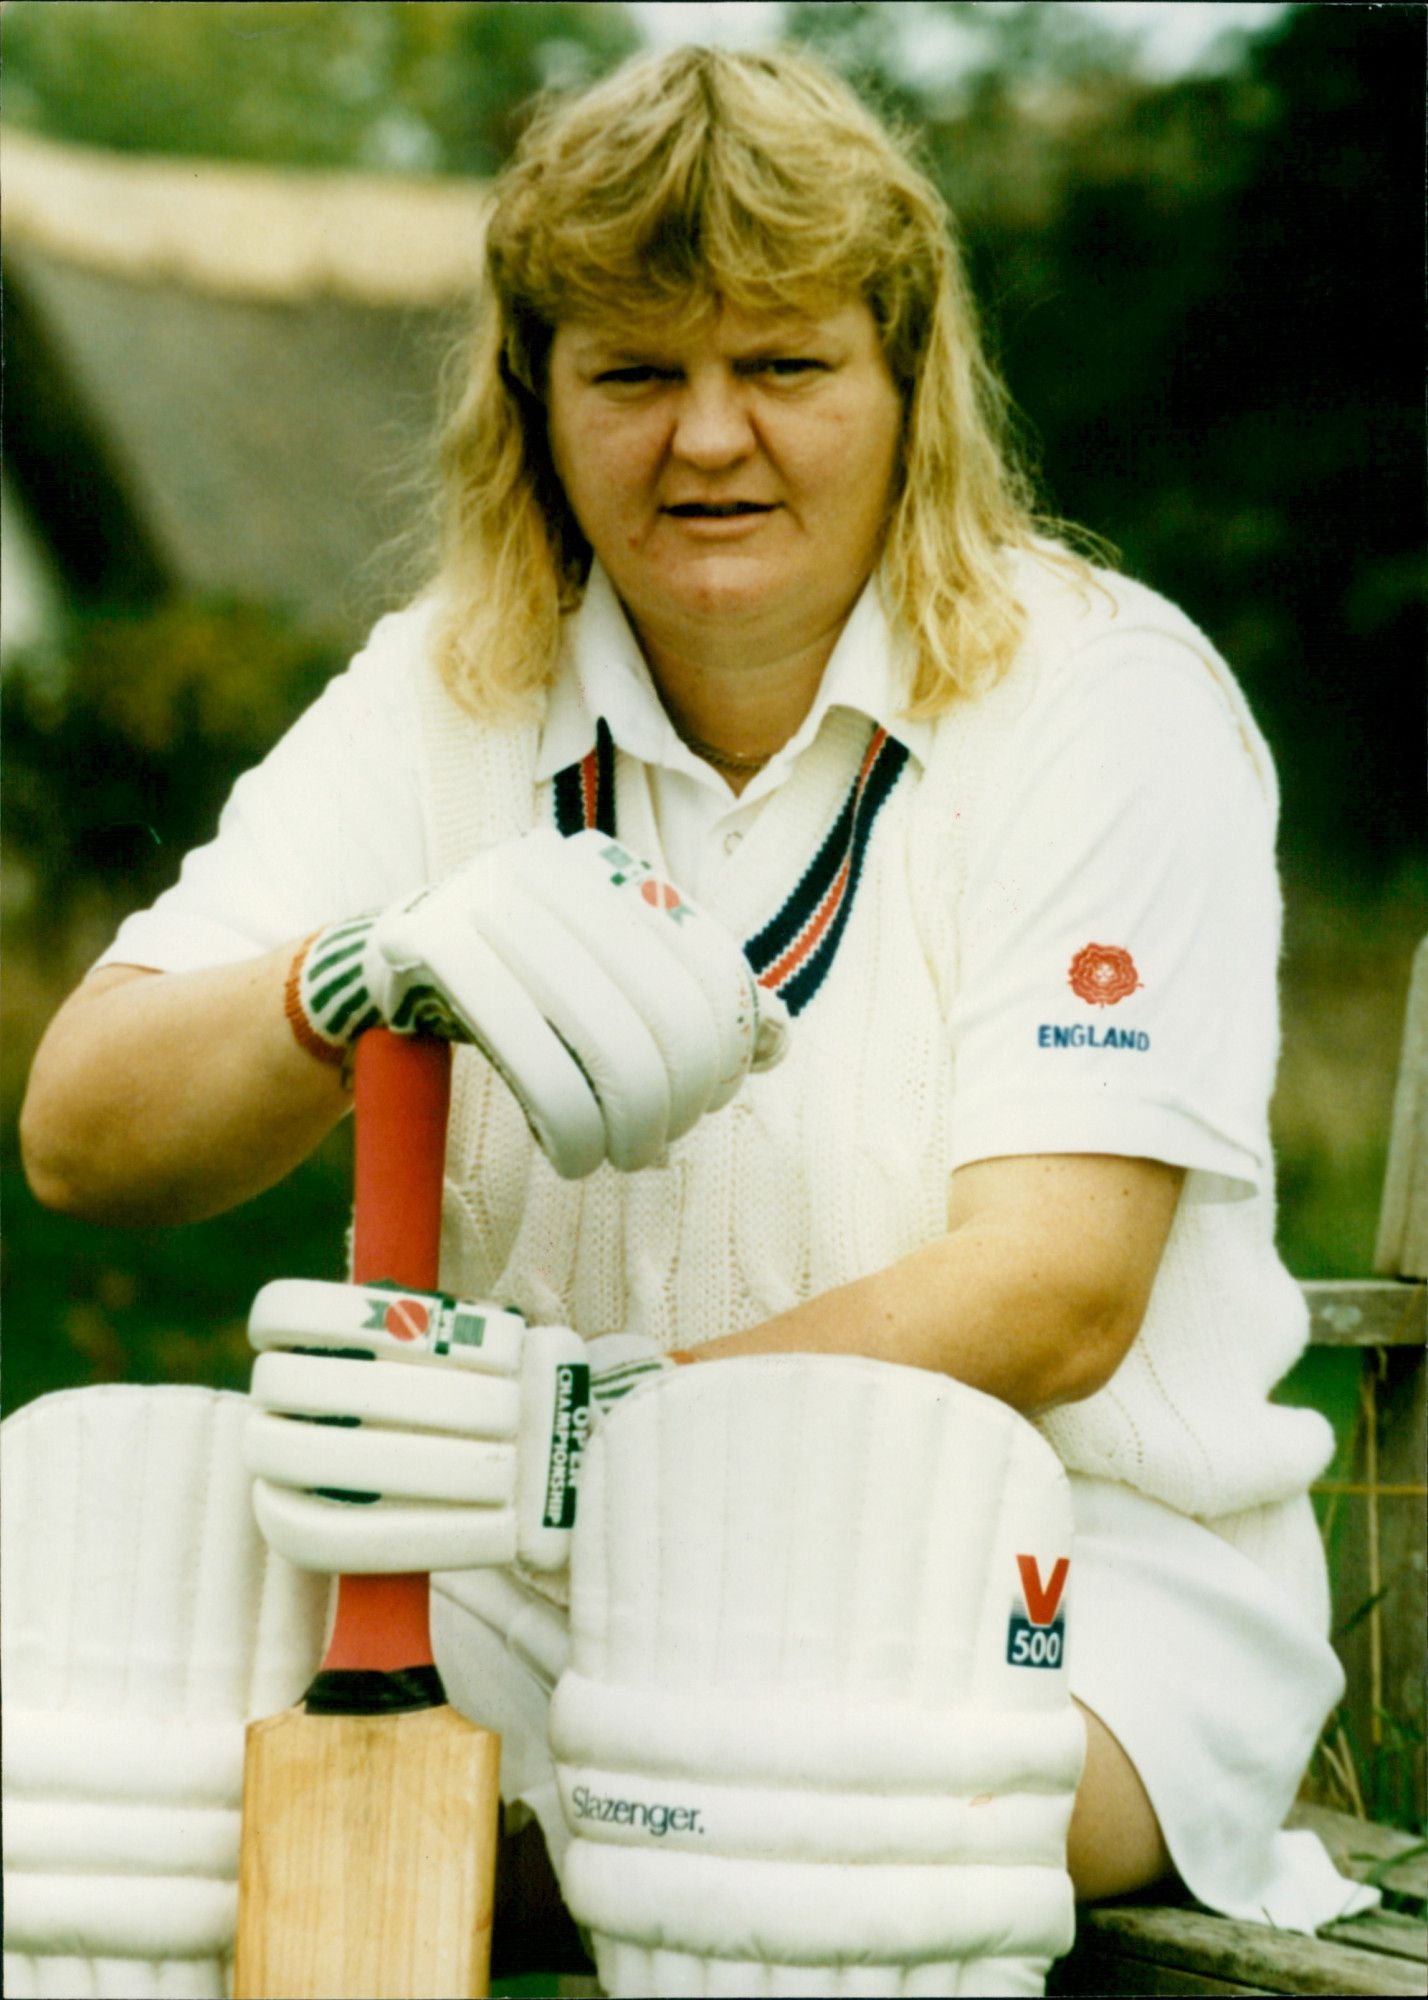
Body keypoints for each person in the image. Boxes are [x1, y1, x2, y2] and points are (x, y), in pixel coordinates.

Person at [20, 41, 1371, 1995]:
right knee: (91, 1724)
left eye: (786, 365)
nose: (710, 440)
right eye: (637, 374)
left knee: (764, 1775)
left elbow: (1055, 1289)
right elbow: (84, 1132)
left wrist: (582, 1439)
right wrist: (348, 975)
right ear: (535, 398)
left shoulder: (1099, 697)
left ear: (908, 383)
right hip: (544, 1592)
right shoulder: (449, 690)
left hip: (1065, 1572)